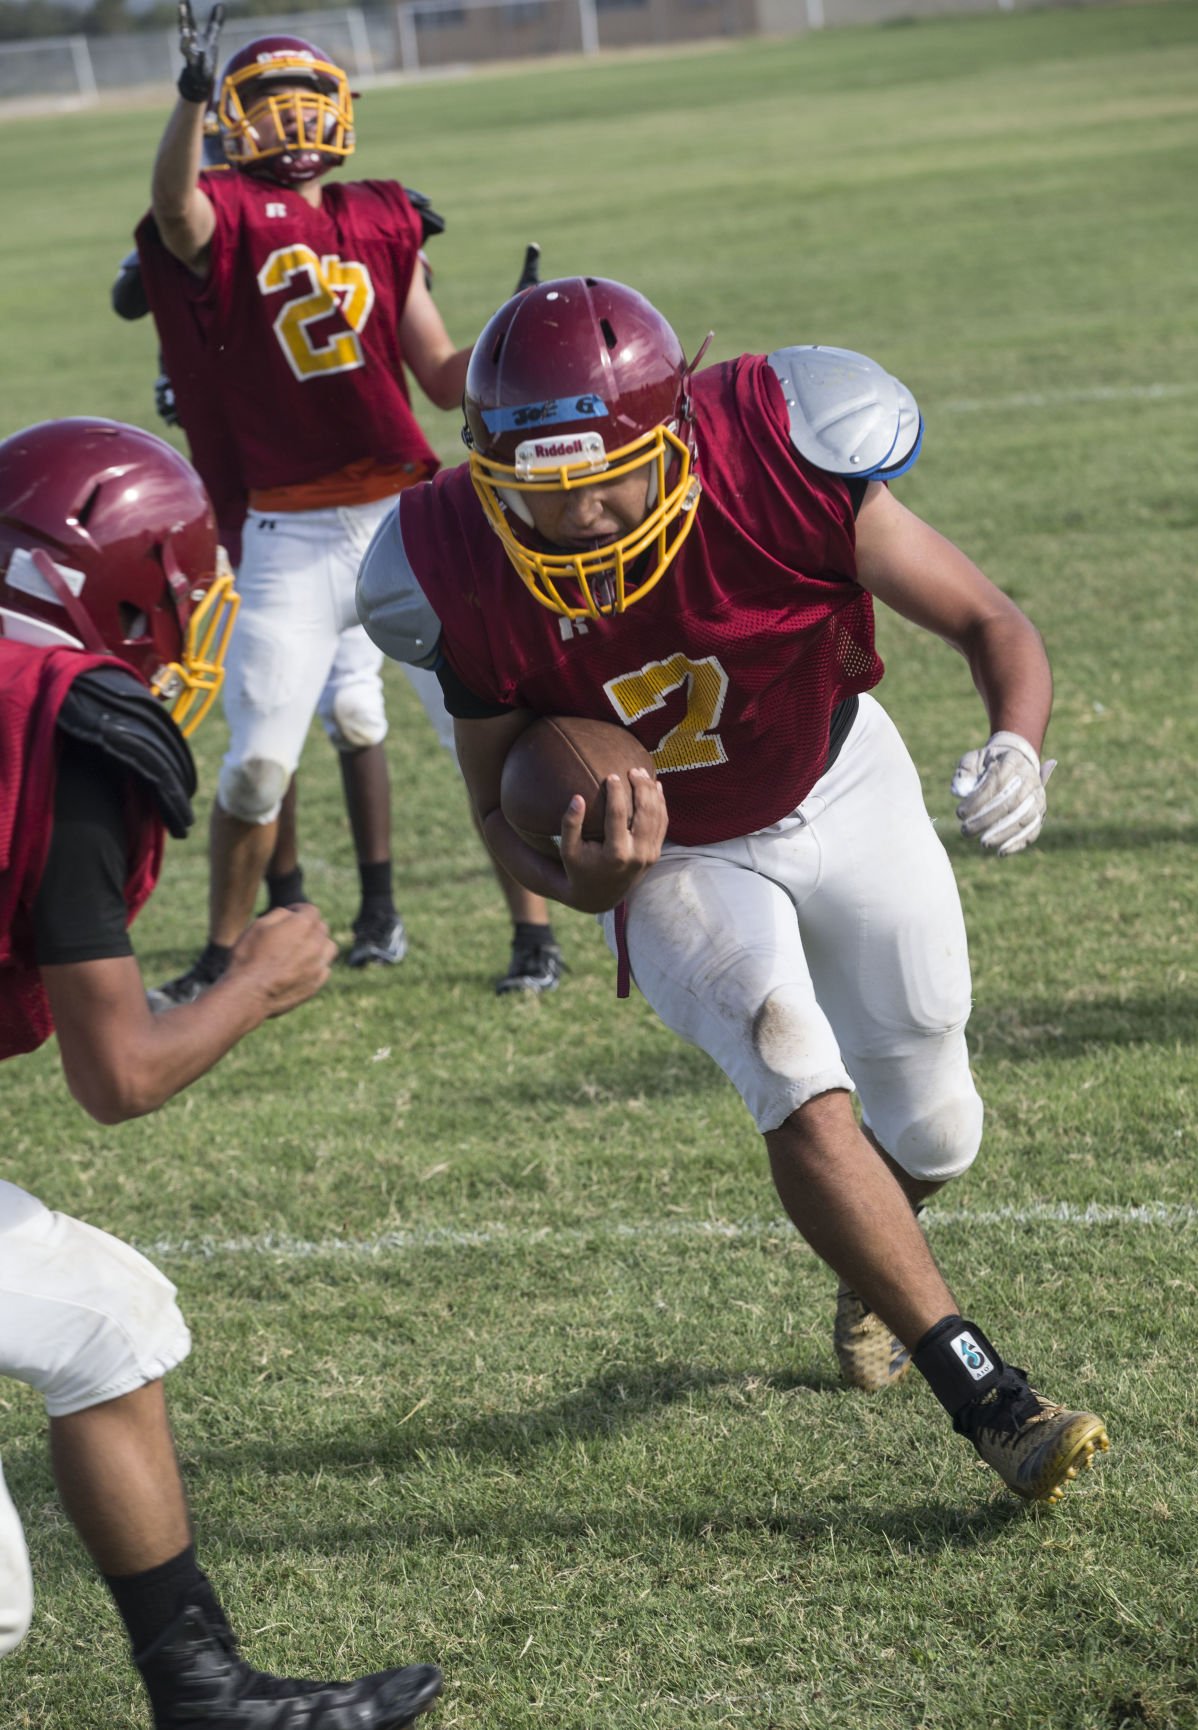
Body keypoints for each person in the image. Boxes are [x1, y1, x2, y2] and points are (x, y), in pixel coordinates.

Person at [356, 275, 1111, 1505]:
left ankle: (874, 1246)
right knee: (790, 1064)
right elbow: (499, 811)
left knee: (936, 1121)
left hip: (837, 771)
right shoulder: (447, 557)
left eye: (608, 479)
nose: (585, 519)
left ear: (677, 438)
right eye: (541, 496)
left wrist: (1017, 739)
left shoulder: (777, 450)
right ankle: (992, 1397)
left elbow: (987, 618)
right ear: (490, 479)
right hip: (679, 855)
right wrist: (578, 875)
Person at [0, 417, 442, 1728]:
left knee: (103, 1317)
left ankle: (201, 1689)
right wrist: (254, 978)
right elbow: (119, 1073)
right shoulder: (60, 728)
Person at [140, 5, 564, 1002]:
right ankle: (219, 954)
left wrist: (509, 330)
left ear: (340, 112)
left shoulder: (383, 215)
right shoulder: (219, 211)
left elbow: (445, 377)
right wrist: (185, 101)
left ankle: (533, 932)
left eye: (304, 103)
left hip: (406, 522)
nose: (288, 124)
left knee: (486, 730)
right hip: (285, 532)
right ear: (231, 120)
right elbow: (171, 211)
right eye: (266, 106)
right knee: (253, 769)